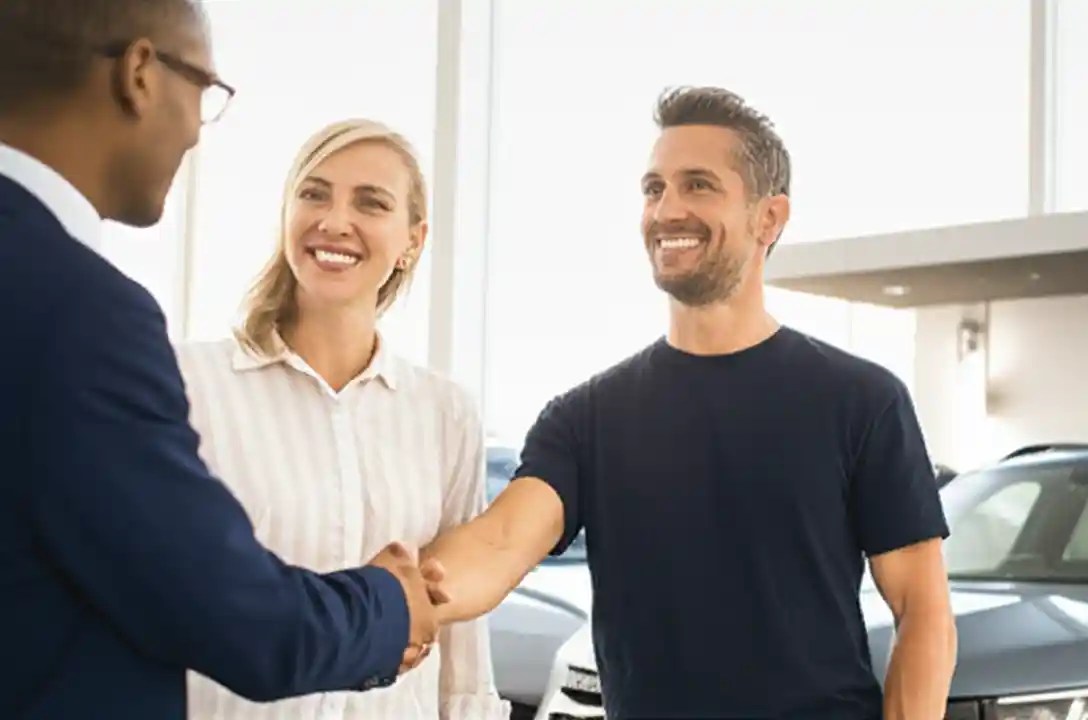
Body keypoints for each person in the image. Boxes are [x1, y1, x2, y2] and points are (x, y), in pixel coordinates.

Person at [421, 86, 958, 719]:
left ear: (770, 217)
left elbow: (922, 612)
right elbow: (499, 544)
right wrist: (383, 597)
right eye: (654, 189)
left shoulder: (862, 401)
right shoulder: (587, 418)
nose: (667, 209)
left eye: (698, 185)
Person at [0, 2, 440, 717]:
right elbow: (233, 615)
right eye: (204, 89)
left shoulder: (440, 409)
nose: (197, 133)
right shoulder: (81, 314)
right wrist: (388, 604)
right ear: (140, 73)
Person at [176, 118, 509, 719]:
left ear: (413, 239)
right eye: (314, 193)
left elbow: (461, 639)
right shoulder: (190, 385)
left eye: (371, 203)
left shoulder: (444, 411)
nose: (334, 221)